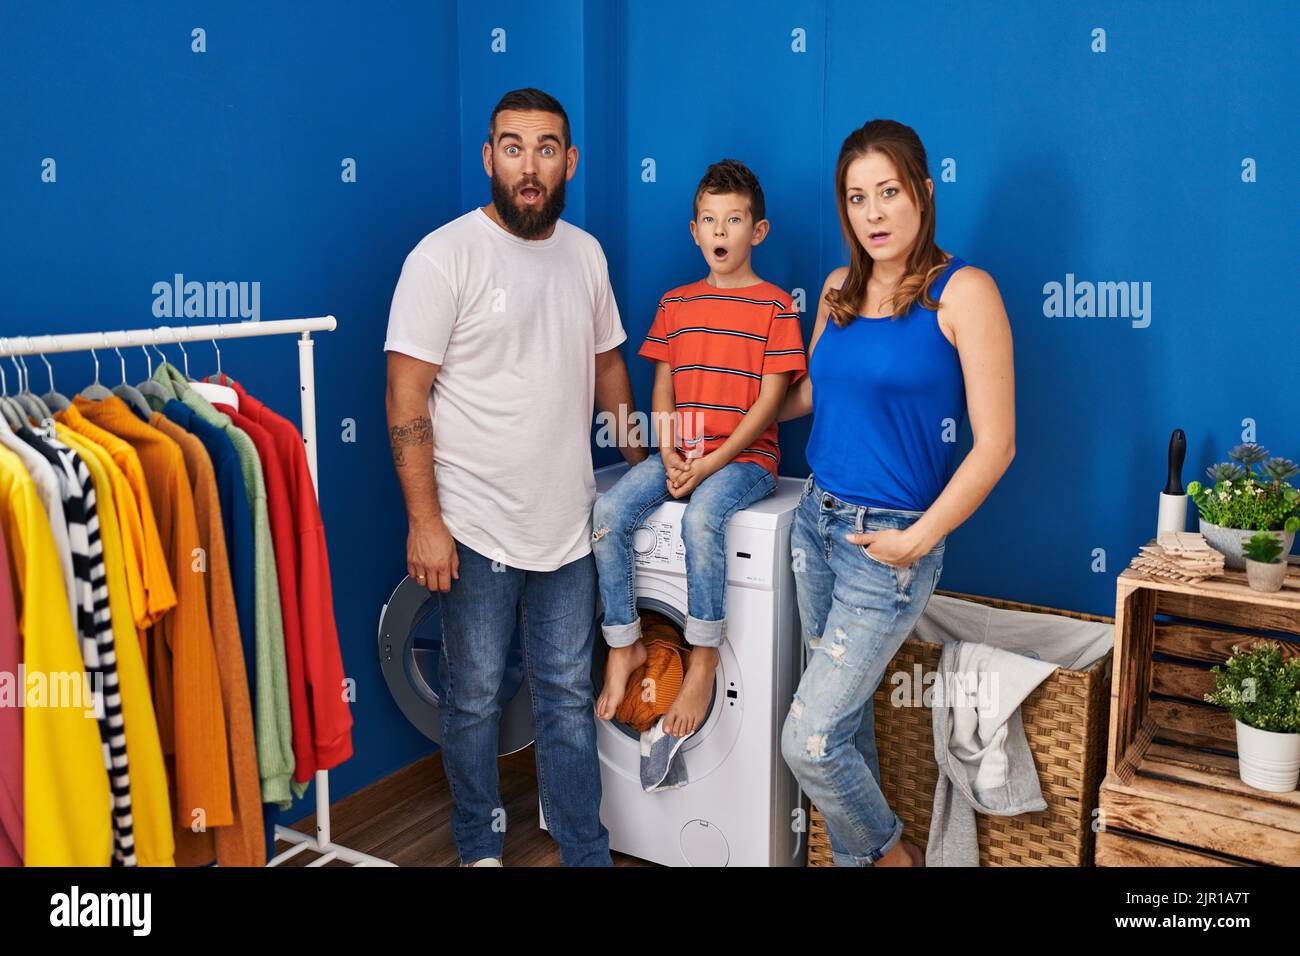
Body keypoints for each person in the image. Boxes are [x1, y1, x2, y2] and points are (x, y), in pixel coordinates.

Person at [383, 88, 645, 867]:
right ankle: (478, 845)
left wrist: (640, 457)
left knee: (566, 695)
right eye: (513, 146)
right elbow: (405, 396)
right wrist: (425, 520)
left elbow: (606, 361)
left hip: (568, 522)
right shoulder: (444, 256)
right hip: (474, 525)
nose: (529, 166)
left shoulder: (586, 253)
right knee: (472, 697)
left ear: (571, 160)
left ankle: (582, 846)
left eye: (546, 148)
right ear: (488, 155)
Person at [777, 119, 1016, 867]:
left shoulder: (964, 292)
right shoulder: (837, 291)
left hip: (889, 544)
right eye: (856, 198)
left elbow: (997, 445)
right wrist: (717, 410)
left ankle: (890, 858)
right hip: (814, 524)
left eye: (888, 192)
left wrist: (914, 542)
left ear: (923, 192)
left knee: (808, 741)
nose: (873, 213)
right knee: (842, 730)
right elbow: (813, 394)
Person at [592, 159, 807, 738]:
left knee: (704, 518)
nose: (719, 231)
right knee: (608, 512)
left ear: (756, 232)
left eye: (733, 220)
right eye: (709, 220)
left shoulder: (776, 307)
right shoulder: (677, 303)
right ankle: (624, 645)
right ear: (694, 230)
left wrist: (713, 461)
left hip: (746, 461)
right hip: (680, 453)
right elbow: (662, 384)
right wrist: (669, 448)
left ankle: (704, 655)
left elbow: (769, 403)